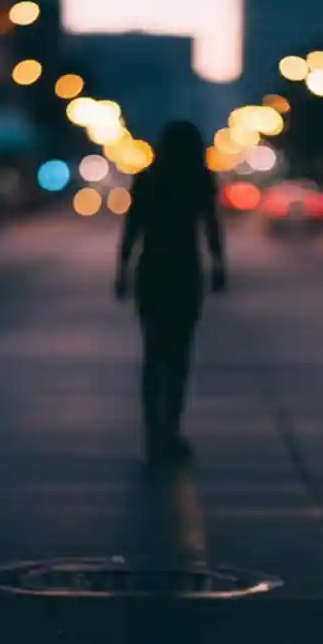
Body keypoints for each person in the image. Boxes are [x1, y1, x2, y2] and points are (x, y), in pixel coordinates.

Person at [115, 120, 226, 459]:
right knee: (179, 354)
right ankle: (171, 428)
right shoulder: (199, 180)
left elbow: (132, 227)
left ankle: (153, 431)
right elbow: (211, 225)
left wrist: (122, 270)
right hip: (185, 271)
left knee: (153, 353)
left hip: (151, 270)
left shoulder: (147, 179)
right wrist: (219, 265)